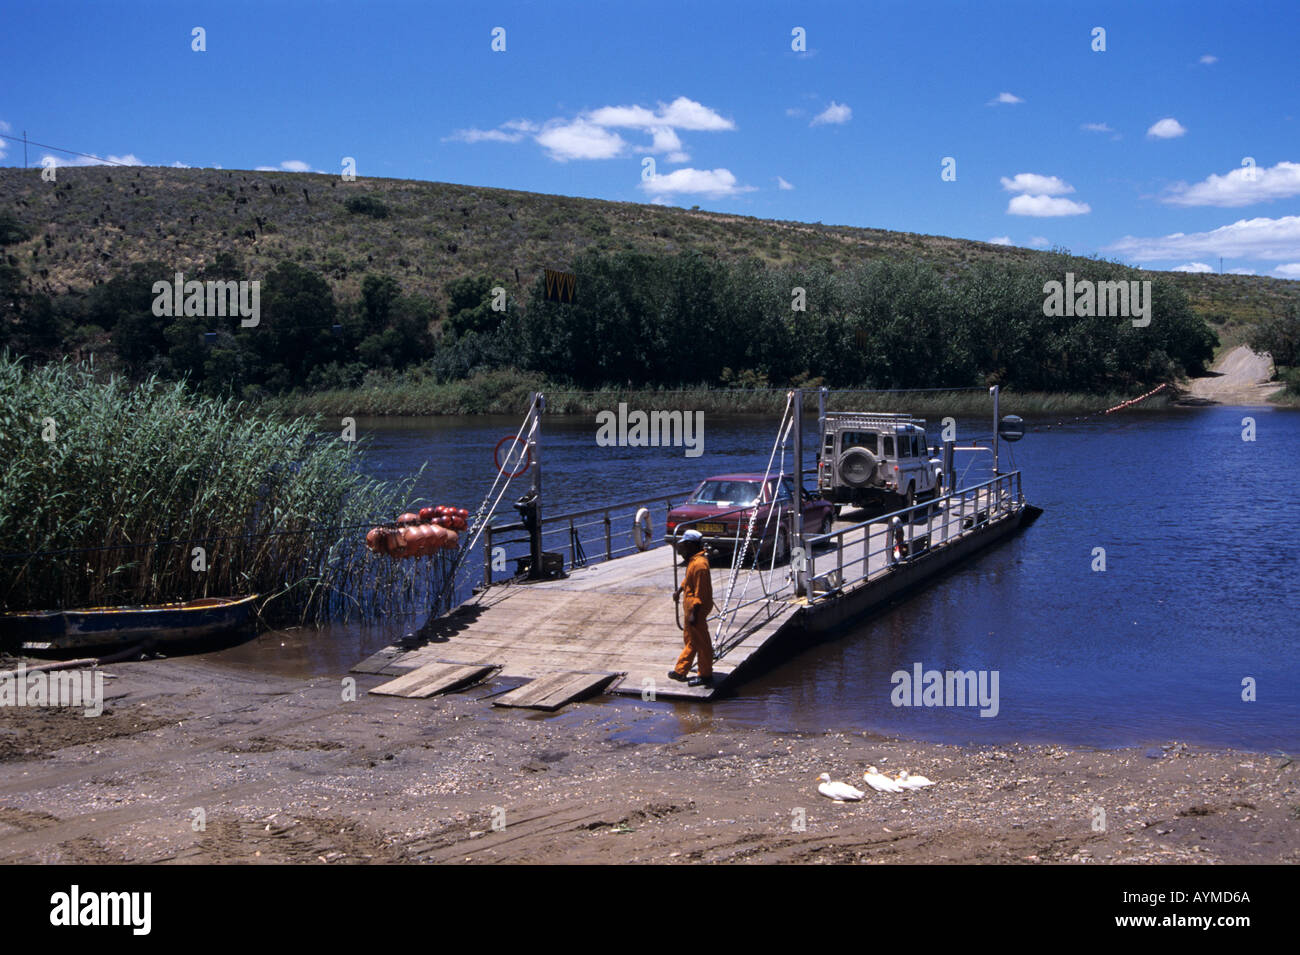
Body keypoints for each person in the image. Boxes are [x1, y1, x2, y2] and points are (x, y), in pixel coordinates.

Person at [669, 529, 714, 687]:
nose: (683, 549)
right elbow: (688, 580)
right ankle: (681, 670)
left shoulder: (700, 565)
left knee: (702, 643)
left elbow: (700, 593)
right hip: (689, 609)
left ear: (691, 544)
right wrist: (680, 590)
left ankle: (706, 675)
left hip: (697, 610)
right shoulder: (693, 561)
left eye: (685, 545)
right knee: (690, 640)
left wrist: (695, 614)